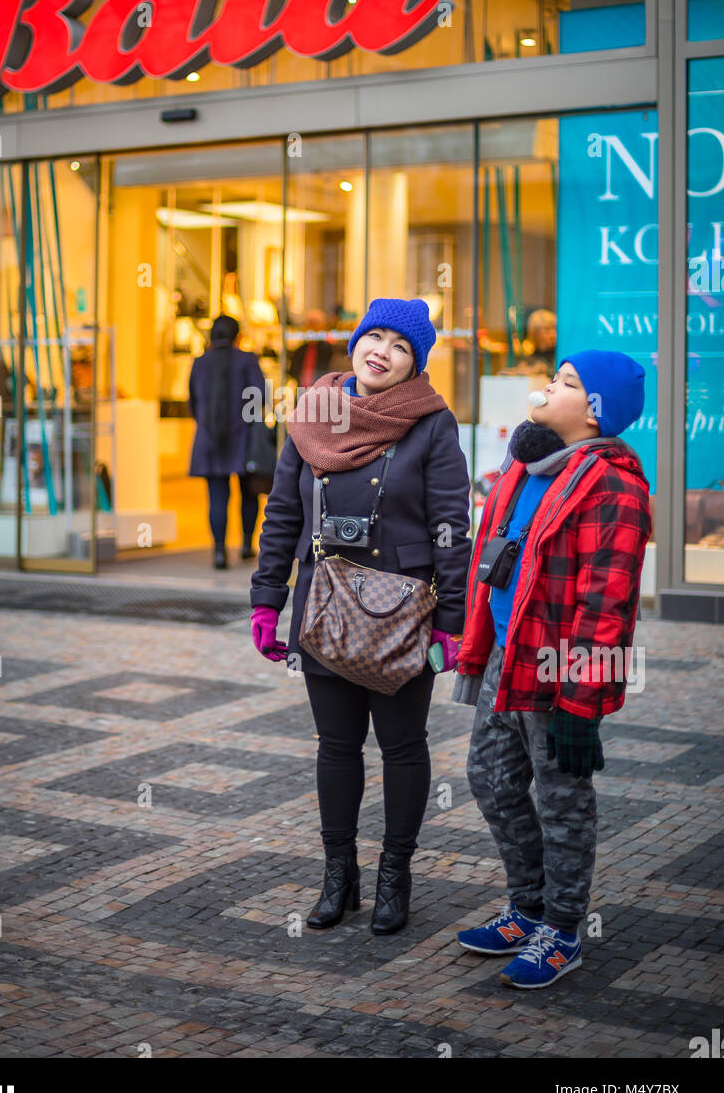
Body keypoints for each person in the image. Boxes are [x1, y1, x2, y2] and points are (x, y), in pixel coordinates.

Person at [249, 298, 471, 935]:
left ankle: (394, 875)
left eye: (400, 346)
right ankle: (338, 875)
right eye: (373, 336)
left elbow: (452, 526)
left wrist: (450, 620)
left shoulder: (431, 423)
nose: (382, 351)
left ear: (415, 364)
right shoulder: (309, 413)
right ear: (353, 344)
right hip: (323, 605)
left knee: (403, 747)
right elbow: (282, 514)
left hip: (401, 612)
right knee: (336, 747)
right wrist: (267, 598)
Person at [452, 349, 651, 988]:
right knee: (489, 778)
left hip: (556, 671)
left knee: (563, 801)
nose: (547, 386)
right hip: (505, 657)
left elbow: (608, 601)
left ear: (596, 412)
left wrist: (581, 704)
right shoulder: (527, 462)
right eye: (553, 376)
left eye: (565, 382)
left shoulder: (613, 483)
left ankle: (563, 931)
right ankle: (527, 906)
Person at [187, 314, 266, 569]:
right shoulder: (247, 360)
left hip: (209, 438)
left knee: (217, 498)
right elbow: (259, 396)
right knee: (248, 494)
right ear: (237, 335)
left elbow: (192, 401)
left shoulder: (199, 363)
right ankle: (245, 545)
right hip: (242, 436)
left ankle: (219, 552)